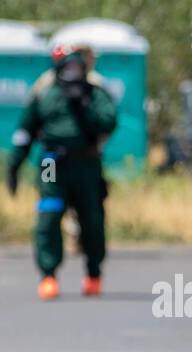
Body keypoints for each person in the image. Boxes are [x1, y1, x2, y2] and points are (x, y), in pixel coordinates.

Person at [7, 45, 117, 300]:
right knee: (49, 213)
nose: (72, 72)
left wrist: (85, 105)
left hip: (86, 164)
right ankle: (48, 275)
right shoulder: (45, 94)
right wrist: (14, 165)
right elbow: (25, 131)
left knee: (92, 218)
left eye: (77, 67)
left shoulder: (95, 93)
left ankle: (93, 273)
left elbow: (110, 122)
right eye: (67, 67)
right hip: (51, 163)